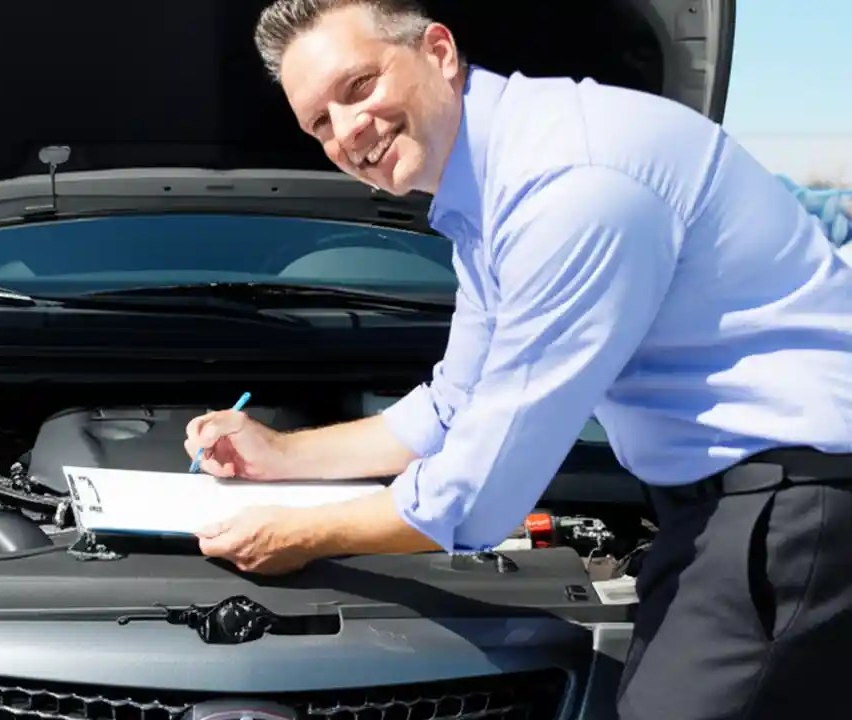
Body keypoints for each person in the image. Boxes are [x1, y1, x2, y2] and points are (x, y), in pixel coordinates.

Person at [182, 1, 852, 718]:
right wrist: (277, 457)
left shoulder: (571, 186)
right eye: (320, 122)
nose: (348, 131)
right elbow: (456, 403)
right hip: (733, 506)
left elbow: (480, 492)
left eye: (359, 86)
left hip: (792, 509)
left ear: (438, 50)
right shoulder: (494, 185)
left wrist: (299, 534)